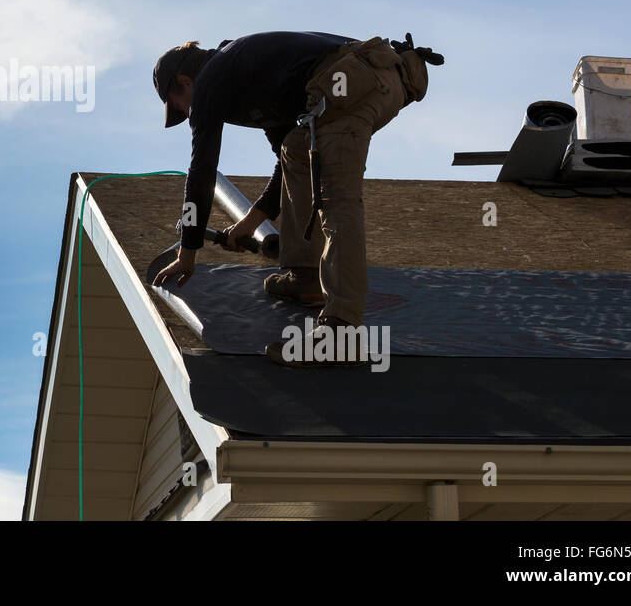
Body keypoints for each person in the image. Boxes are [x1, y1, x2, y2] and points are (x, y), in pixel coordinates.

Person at [150, 31, 441, 366]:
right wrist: (248, 225)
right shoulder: (251, 79)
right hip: (357, 82)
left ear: (186, 82)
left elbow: (201, 169)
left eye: (180, 105)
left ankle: (341, 333)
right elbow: (285, 169)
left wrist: (188, 253)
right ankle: (305, 276)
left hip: (351, 83)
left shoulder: (212, 79)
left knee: (337, 200)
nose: (188, 113)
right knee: (296, 152)